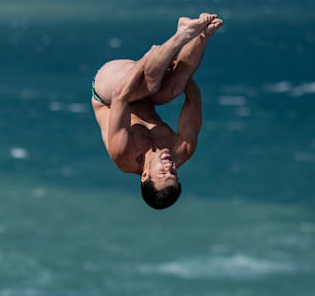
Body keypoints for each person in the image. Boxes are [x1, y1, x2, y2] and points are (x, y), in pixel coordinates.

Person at [90, 13, 222, 209]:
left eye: (163, 173)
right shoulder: (182, 149)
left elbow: (120, 96)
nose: (170, 167)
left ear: (145, 176)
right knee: (173, 89)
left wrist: (147, 59)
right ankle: (203, 34)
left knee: (151, 86)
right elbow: (193, 99)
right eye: (174, 173)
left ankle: (182, 34)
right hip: (145, 95)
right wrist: (178, 71)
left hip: (108, 92)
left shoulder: (124, 154)